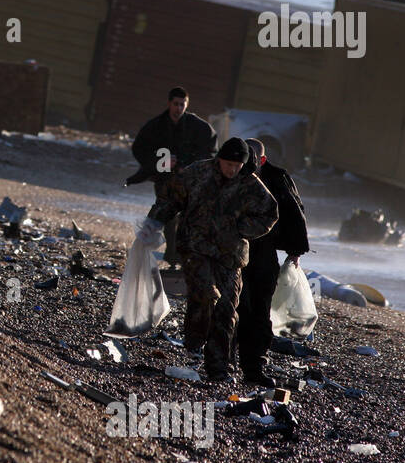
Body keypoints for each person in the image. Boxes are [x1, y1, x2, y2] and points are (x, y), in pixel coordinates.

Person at [139, 136, 277, 382]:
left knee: (226, 309)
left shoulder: (251, 184)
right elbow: (170, 199)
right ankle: (194, 336)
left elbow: (269, 214)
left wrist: (240, 228)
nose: (232, 170)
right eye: (228, 164)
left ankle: (218, 368)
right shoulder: (197, 173)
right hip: (195, 247)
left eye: (237, 166)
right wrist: (153, 224)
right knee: (204, 295)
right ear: (219, 160)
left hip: (229, 256)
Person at [233, 137, 310, 382]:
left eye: (253, 158)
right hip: (233, 250)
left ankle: (253, 366)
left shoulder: (276, 178)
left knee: (258, 309)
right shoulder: (230, 172)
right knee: (233, 307)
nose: (248, 162)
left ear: (262, 160)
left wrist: (295, 250)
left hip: (263, 251)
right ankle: (224, 360)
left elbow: (294, 211)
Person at [127, 87, 217, 268]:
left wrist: (190, 165)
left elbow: (210, 152)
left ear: (187, 104)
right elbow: (140, 149)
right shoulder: (156, 126)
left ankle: (183, 256)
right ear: (169, 104)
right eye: (175, 104)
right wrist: (161, 160)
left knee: (188, 218)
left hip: (190, 181)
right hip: (164, 179)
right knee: (166, 216)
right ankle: (168, 255)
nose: (178, 108)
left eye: (182, 104)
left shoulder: (198, 127)